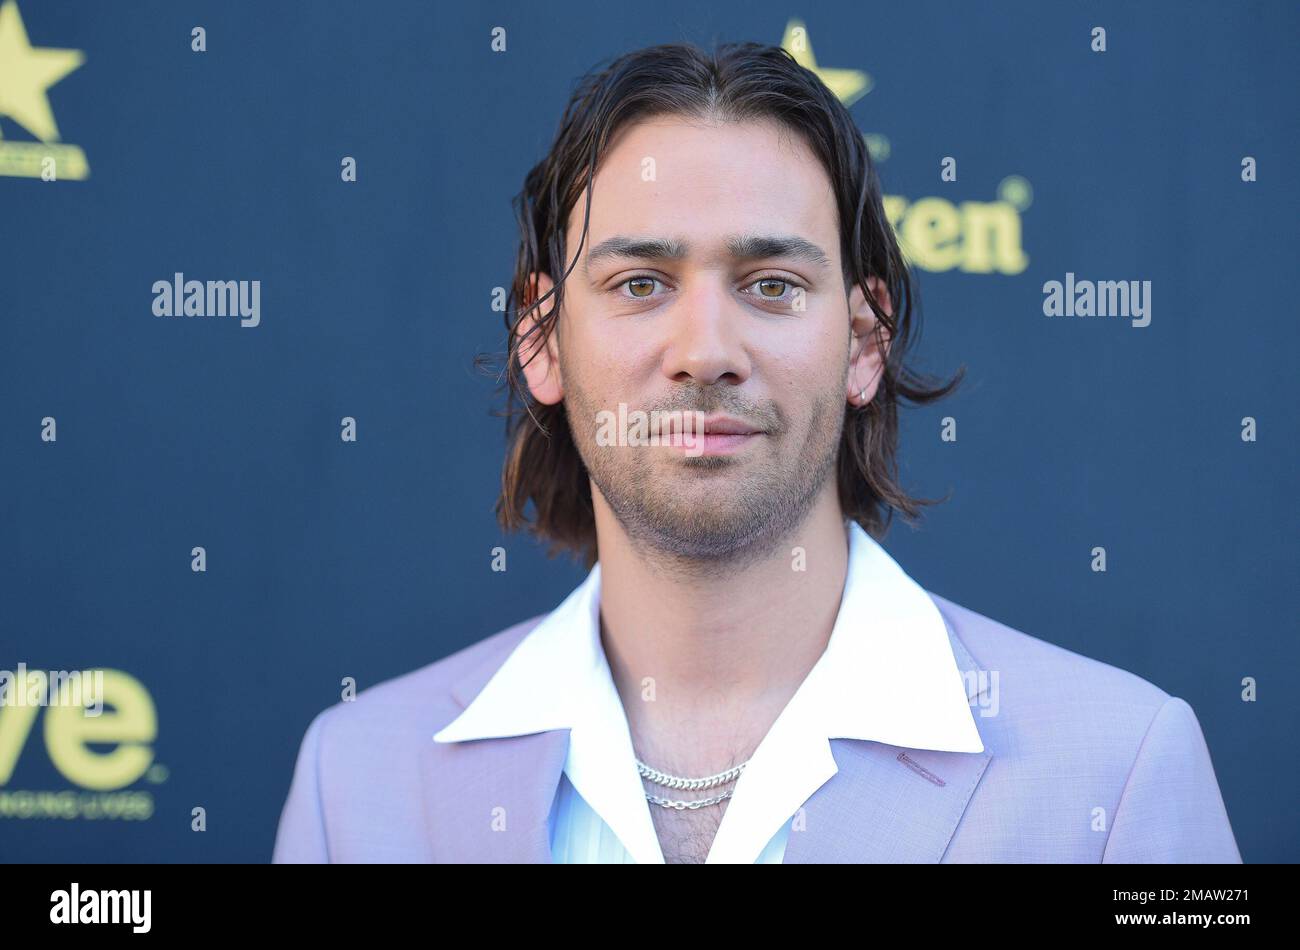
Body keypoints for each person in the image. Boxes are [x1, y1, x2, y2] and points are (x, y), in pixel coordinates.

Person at [272, 41, 1240, 863]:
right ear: (541, 339)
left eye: (771, 284)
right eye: (640, 281)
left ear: (864, 343)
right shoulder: (353, 787)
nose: (705, 351)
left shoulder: (1117, 773)